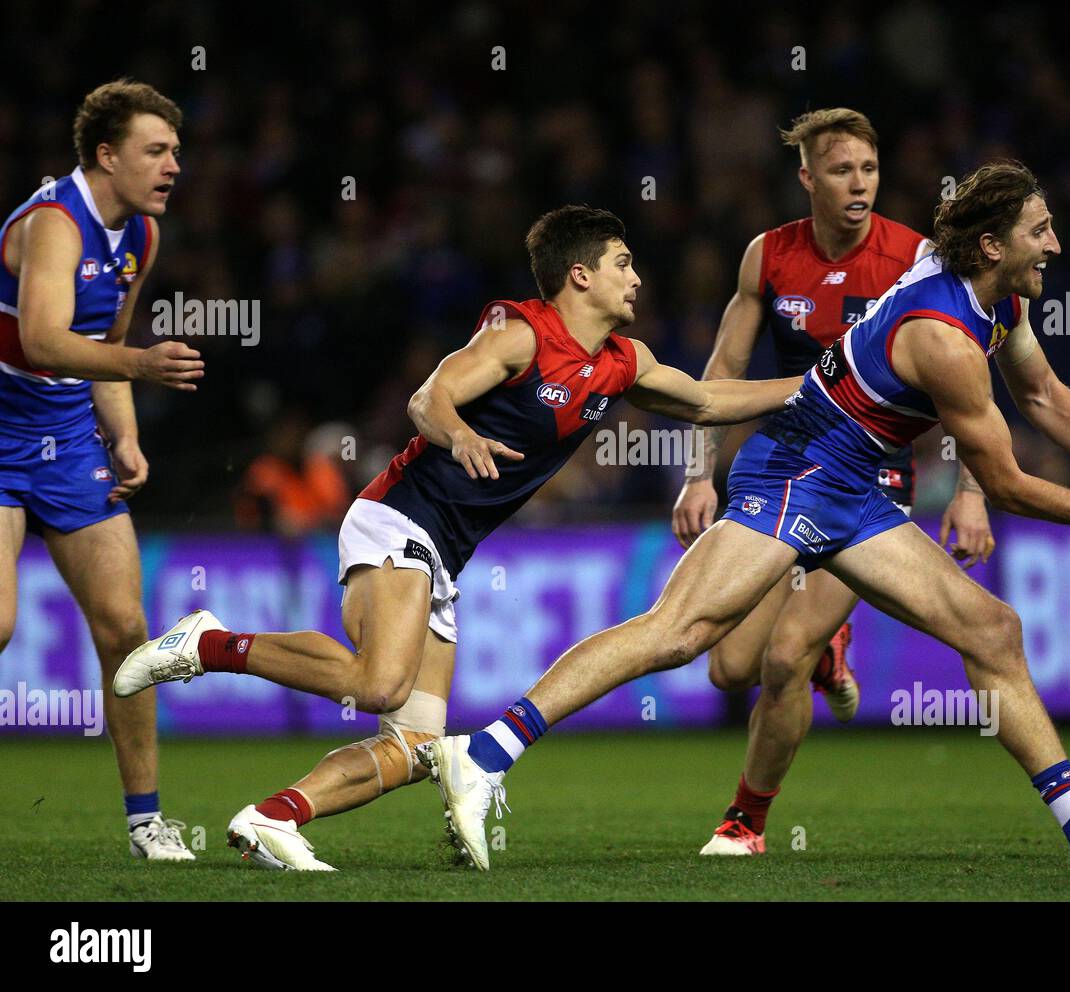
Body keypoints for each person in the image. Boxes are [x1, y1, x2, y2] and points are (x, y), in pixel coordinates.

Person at [419, 161, 1070, 872]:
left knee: (992, 630)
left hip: (857, 485)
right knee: (684, 635)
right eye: (1039, 231)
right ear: (991, 247)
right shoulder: (942, 334)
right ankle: (486, 754)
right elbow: (1006, 484)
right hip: (801, 469)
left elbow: (1043, 394)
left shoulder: (996, 302)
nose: (1054, 246)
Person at [112, 205, 803, 870]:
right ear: (581, 276)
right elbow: (426, 400)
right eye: (623, 263)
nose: (638, 279)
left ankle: (274, 817)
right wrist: (461, 433)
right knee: (379, 683)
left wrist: (817, 384)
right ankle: (204, 643)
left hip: (442, 552)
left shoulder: (624, 360)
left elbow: (710, 401)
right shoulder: (520, 334)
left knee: (416, 748)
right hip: (398, 518)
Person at [669, 107, 996, 855]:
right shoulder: (767, 256)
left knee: (780, 660)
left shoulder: (919, 261)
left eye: (871, 170)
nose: (860, 185)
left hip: (866, 483)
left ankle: (744, 823)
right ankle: (827, 652)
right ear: (808, 177)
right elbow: (721, 372)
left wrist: (973, 492)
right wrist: (697, 477)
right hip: (781, 475)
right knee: (728, 668)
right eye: (843, 171)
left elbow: (969, 386)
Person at [0, 79, 204, 860]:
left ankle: (146, 822)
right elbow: (45, 342)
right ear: (106, 155)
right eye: (156, 151)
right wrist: (143, 365)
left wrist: (123, 437)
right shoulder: (55, 223)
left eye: (177, 151)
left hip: (65, 438)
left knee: (127, 632)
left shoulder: (139, 237)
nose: (173, 165)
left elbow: (101, 354)